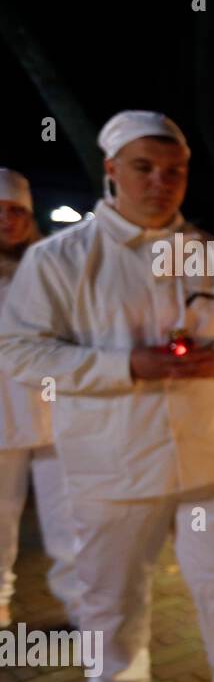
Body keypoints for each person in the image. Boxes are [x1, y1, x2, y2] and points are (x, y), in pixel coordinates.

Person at [0, 111, 214, 682]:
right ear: (111, 170)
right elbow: (20, 351)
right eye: (144, 168)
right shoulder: (60, 260)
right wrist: (125, 366)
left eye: (175, 171)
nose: (161, 183)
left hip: (210, 459)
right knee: (111, 591)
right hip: (113, 463)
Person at [0, 169, 82, 630]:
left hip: (54, 410)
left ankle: (81, 606)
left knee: (67, 516)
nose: (8, 220)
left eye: (17, 211)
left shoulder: (52, 266)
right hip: (0, 411)